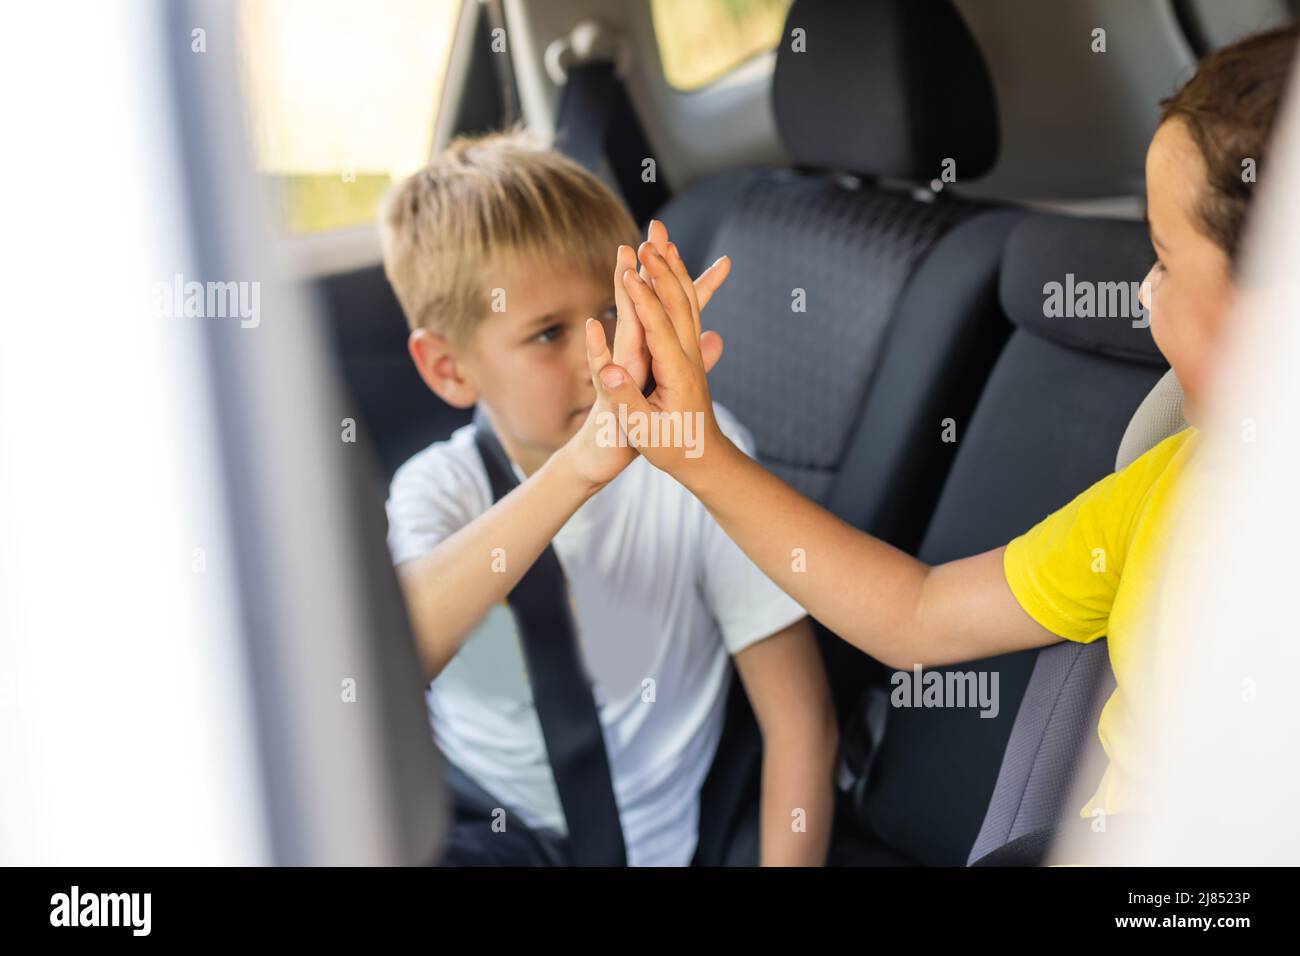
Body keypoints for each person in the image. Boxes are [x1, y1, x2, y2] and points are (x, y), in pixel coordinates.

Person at [588, 24, 1299, 859]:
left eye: (1168, 263)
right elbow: (915, 615)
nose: (1143, 292)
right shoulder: (1167, 486)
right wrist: (696, 451)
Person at [377, 129, 838, 866]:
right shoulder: (440, 486)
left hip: (637, 847)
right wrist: (577, 471)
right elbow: (403, 655)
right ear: (447, 368)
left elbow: (800, 725)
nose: (599, 360)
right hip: (473, 820)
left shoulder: (699, 459)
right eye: (549, 334)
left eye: (611, 314)